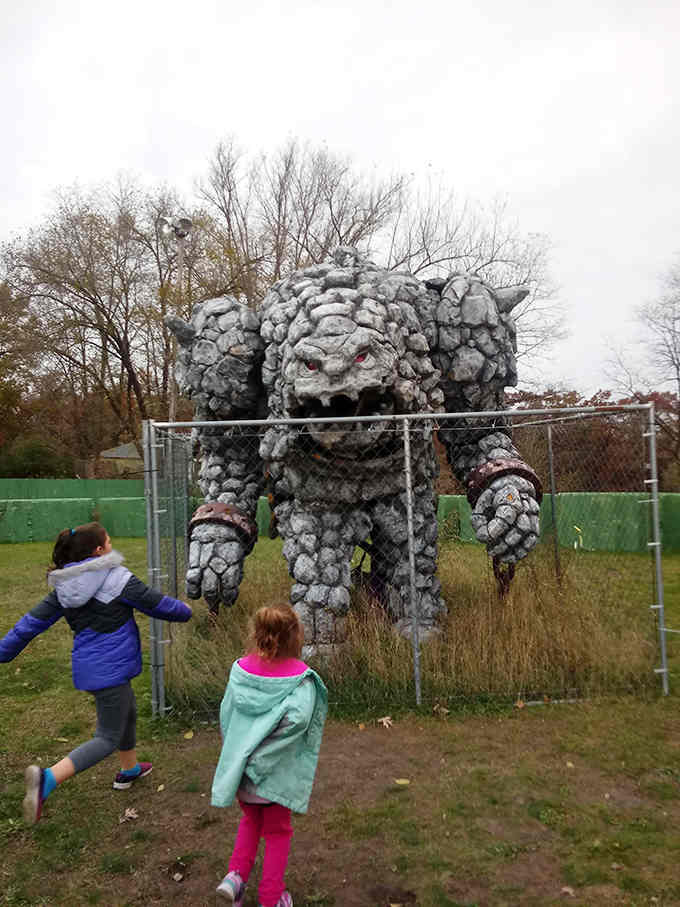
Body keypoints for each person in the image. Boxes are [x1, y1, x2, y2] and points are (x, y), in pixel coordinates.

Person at [0, 522, 193, 825]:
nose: (112, 543)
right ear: (99, 550)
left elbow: (29, 624)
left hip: (95, 668)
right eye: (109, 540)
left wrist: (4, 651)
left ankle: (129, 770)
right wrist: (186, 610)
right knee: (106, 736)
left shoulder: (62, 588)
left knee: (127, 709)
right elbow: (157, 604)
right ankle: (47, 779)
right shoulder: (119, 579)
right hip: (110, 672)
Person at [212, 604, 328, 907]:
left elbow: (227, 713)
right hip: (274, 776)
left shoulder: (240, 672)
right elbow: (299, 719)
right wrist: (267, 749)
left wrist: (240, 752)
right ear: (295, 637)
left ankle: (235, 878)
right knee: (278, 832)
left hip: (242, 772)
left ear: (258, 634)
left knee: (250, 821)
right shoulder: (300, 680)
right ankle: (271, 896)